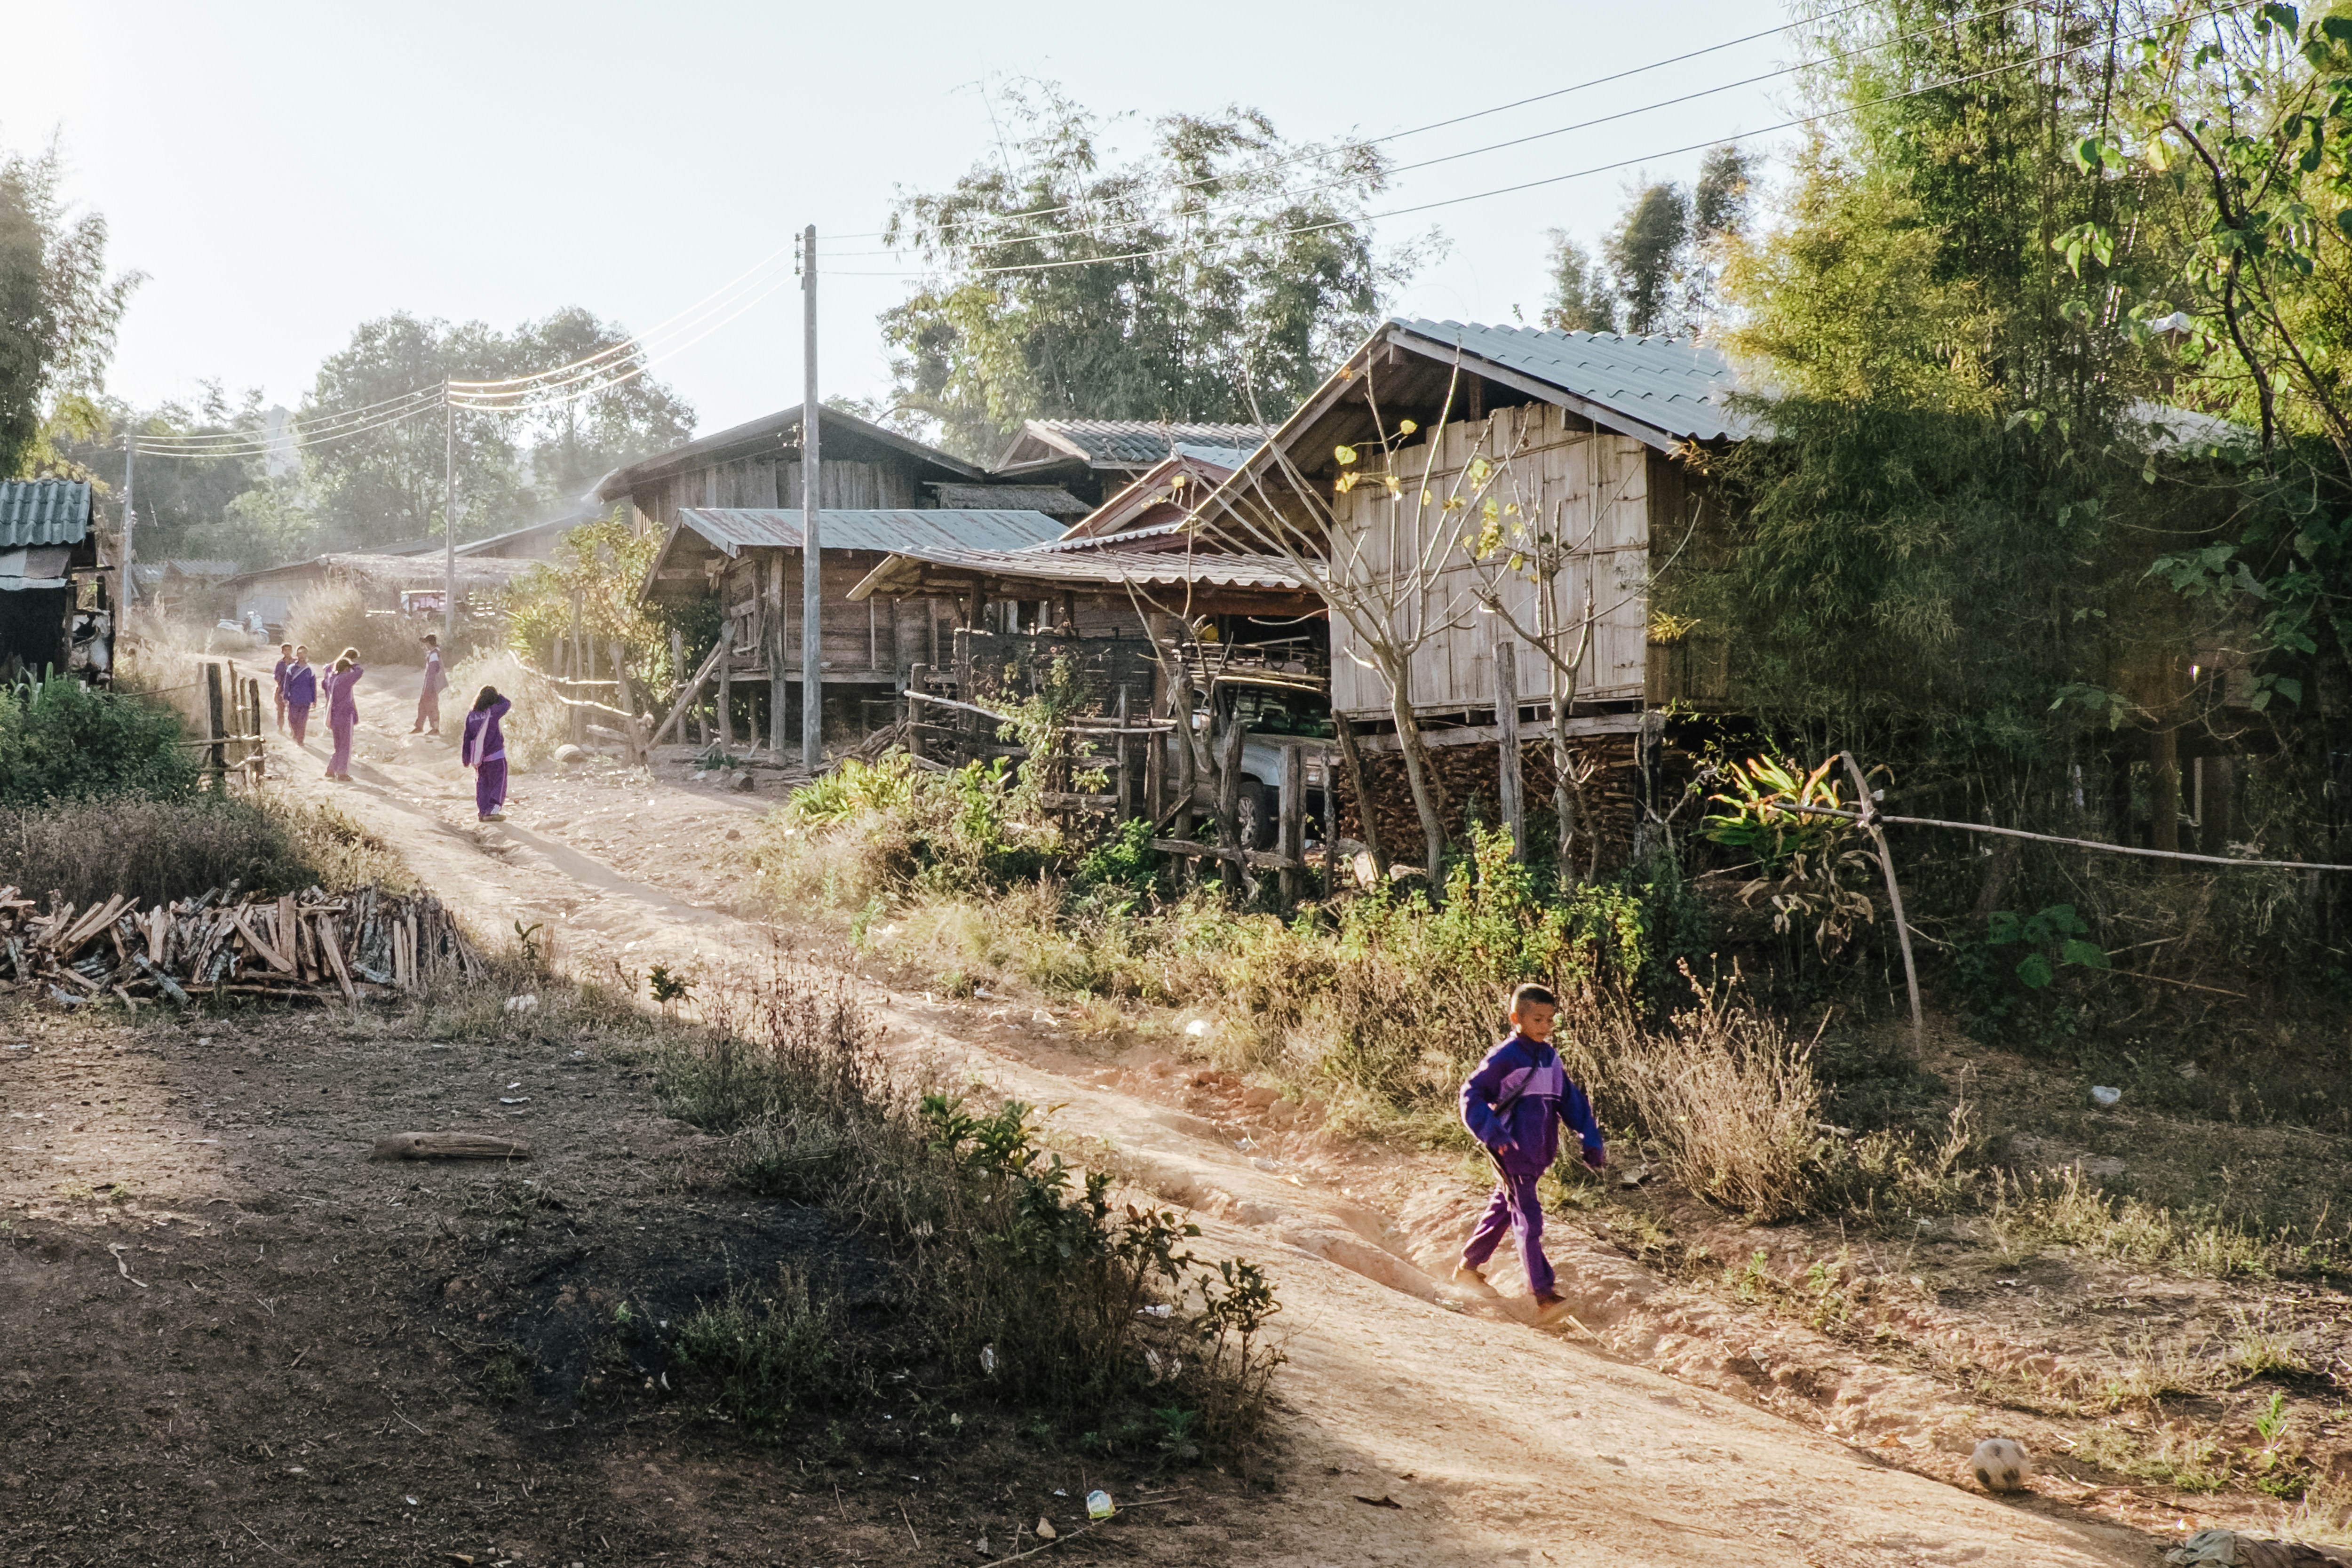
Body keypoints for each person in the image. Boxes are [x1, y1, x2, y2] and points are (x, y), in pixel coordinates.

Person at [1454, 982, 1605, 1312]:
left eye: (1551, 1020)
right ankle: (1544, 1294)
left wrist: (1591, 1139)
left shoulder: (1551, 1058)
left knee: (1505, 1209)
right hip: (1511, 1152)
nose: (1546, 1027)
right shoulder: (1505, 1057)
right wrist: (1493, 1134)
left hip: (1537, 1153)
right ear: (1516, 1018)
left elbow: (1572, 1102)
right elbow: (1471, 1094)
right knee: (1529, 1218)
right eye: (1538, 1019)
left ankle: (1468, 1269)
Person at [461, 685, 512, 821]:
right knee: (499, 783)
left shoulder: (471, 716)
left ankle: (483, 811)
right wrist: (498, 696)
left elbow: (467, 738)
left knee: (482, 784)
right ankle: (493, 810)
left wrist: (466, 758)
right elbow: (507, 704)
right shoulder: (493, 712)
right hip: (496, 756)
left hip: (480, 760)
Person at [322, 647, 365, 781]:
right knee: (346, 745)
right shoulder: (346, 679)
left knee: (338, 745)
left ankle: (331, 769)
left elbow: (327, 675)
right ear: (346, 668)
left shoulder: (331, 679)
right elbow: (360, 671)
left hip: (334, 716)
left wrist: (339, 662)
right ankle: (342, 773)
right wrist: (353, 664)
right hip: (345, 715)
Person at [413, 632, 447, 735]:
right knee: (423, 705)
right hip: (429, 685)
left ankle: (435, 729)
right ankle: (420, 727)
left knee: (432, 707)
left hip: (431, 686)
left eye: (426, 642)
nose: (425, 645)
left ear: (429, 643)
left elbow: (433, 672)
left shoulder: (434, 655)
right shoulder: (434, 653)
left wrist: (429, 688)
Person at [283, 646, 318, 746]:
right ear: (297, 655)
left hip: (306, 698)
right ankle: (296, 734)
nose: (302, 655)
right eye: (300, 653)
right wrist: (286, 697)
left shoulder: (310, 670)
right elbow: (287, 684)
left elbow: (313, 685)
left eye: (304, 653)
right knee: (292, 719)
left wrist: (314, 700)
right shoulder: (291, 669)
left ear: (307, 654)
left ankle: (300, 739)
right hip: (294, 698)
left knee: (303, 720)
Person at [271, 642, 295, 733]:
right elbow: (276, 675)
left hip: (293, 690)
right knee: (280, 710)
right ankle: (280, 728)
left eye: (289, 650)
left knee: (292, 711)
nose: (288, 652)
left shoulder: (295, 663)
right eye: (286, 650)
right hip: (281, 689)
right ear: (283, 652)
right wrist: (281, 681)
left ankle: (293, 729)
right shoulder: (280, 663)